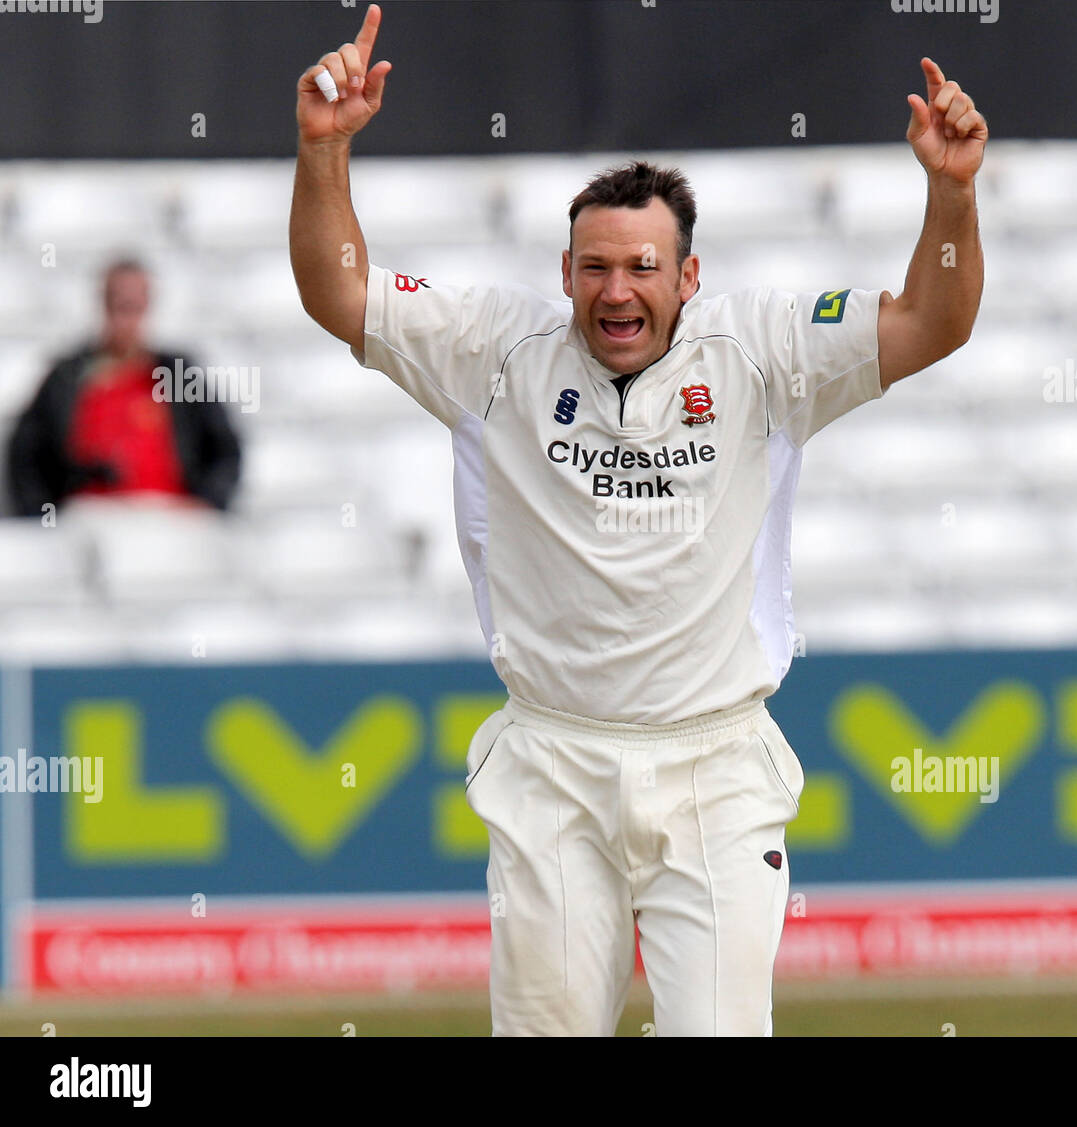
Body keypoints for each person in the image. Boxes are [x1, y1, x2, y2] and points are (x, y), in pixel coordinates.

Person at [290, 4, 986, 1036]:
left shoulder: (759, 350)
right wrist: (322, 153)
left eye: (642, 268)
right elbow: (337, 291)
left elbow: (934, 321)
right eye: (594, 267)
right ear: (565, 273)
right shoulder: (498, 351)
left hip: (714, 769)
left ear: (688, 278)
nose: (617, 291)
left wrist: (950, 194)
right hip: (553, 765)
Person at [6, 258, 241, 517]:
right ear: (103, 304)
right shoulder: (66, 378)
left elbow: (225, 449)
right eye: (118, 305)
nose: (126, 318)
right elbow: (27, 457)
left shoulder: (179, 375)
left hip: (168, 520)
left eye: (134, 306)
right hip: (88, 521)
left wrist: (207, 505)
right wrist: (43, 516)